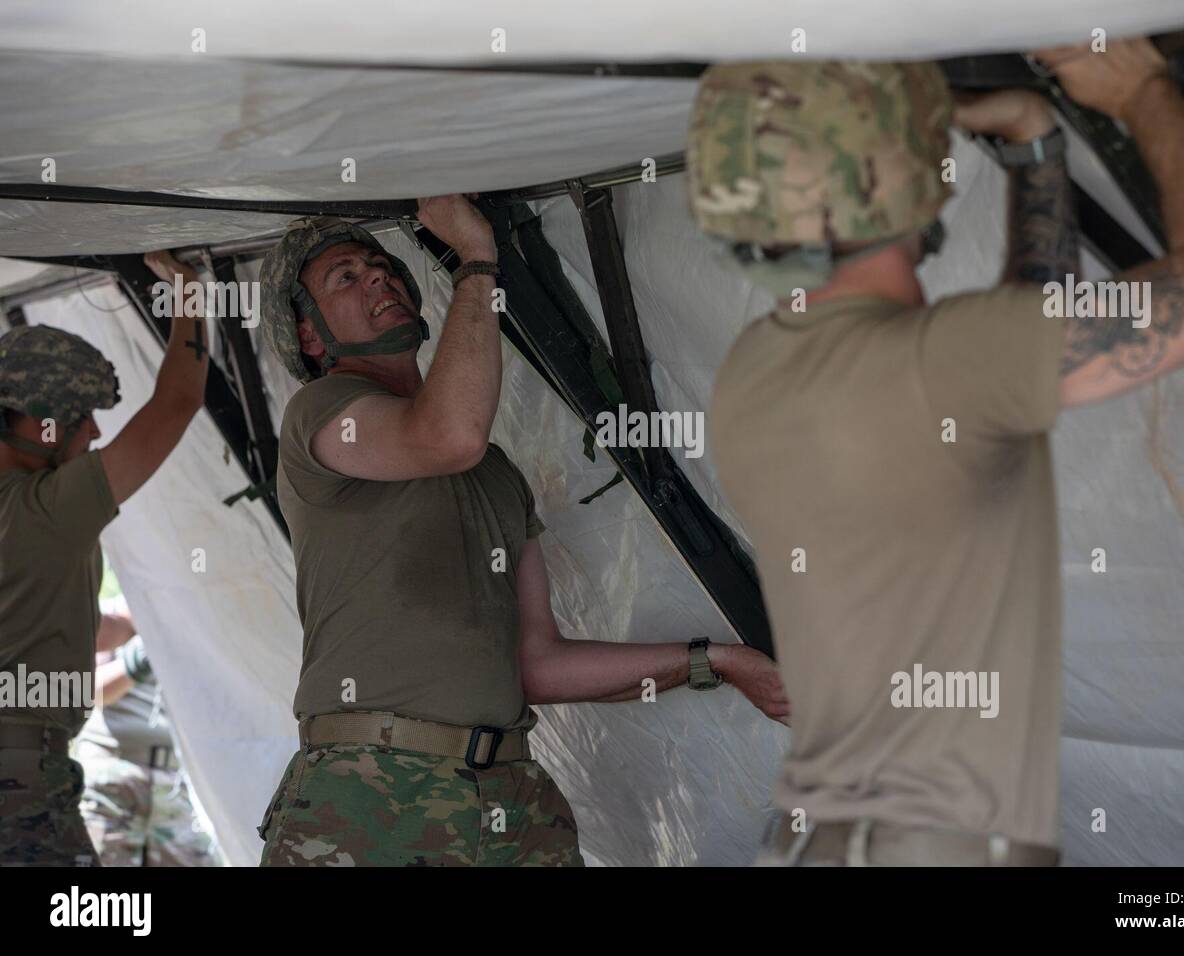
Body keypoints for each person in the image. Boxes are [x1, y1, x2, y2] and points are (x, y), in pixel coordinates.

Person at [689, 44, 1184, 866]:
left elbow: (1019, 339)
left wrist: (1037, 144)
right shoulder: (942, 363)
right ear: (896, 172)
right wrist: (1144, 89)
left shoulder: (758, 369)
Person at [255, 195, 789, 866]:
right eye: (346, 277)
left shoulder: (495, 474)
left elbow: (538, 662)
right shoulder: (322, 414)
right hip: (370, 797)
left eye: (381, 265)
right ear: (309, 336)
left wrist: (719, 662)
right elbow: (448, 434)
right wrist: (477, 259)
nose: (379, 279)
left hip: (505, 793)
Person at [0, 250, 210, 865]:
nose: (93, 433)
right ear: (42, 423)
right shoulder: (43, 509)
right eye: (82, 418)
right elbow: (174, 405)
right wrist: (191, 298)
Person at [74, 605, 222, 866]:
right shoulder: (116, 616)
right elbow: (91, 689)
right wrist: (137, 659)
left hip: (173, 784)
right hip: (113, 775)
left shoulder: (198, 620)